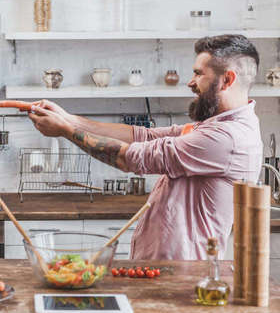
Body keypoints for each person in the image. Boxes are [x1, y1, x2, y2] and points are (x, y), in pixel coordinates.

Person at [27, 34, 262, 259]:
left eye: (198, 74)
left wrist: (66, 131)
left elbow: (128, 158)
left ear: (227, 80)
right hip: (168, 266)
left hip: (182, 274)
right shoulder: (213, 126)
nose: (190, 82)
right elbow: (142, 136)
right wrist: (68, 118)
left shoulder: (226, 138)